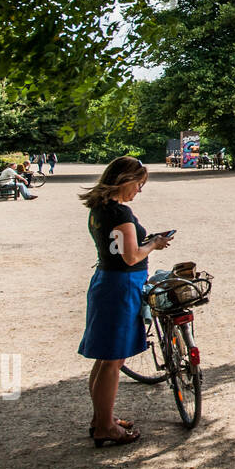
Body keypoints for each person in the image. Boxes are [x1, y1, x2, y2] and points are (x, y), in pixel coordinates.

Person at [78, 157, 174, 447]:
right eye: (138, 184)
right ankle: (106, 426)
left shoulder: (100, 209)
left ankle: (101, 418)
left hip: (106, 281)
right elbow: (131, 256)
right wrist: (154, 244)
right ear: (124, 180)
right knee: (113, 360)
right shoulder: (120, 213)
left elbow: (119, 250)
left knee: (105, 358)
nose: (139, 190)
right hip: (121, 285)